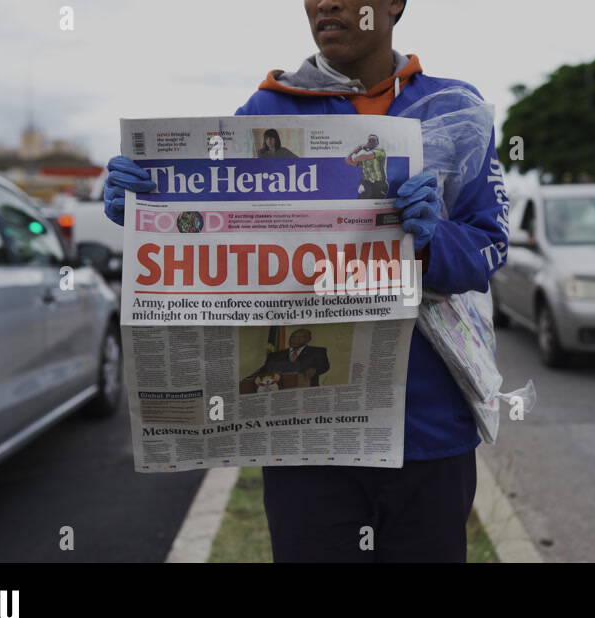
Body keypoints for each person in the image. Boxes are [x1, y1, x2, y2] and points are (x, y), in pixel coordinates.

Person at [104, 0, 509, 563]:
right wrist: (151, 210)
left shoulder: (454, 107)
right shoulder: (267, 107)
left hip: (431, 426)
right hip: (303, 440)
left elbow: (491, 245)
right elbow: (223, 238)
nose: (325, 3)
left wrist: (433, 239)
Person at [249, 328, 330, 387]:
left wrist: (315, 370)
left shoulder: (317, 352)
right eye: (293, 337)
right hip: (281, 390)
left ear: (308, 339)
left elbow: (325, 366)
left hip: (307, 388)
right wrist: (250, 379)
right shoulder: (275, 355)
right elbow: (265, 369)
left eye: (300, 337)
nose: (295, 340)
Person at [347, 134, 388, 198]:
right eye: (369, 140)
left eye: (373, 140)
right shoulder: (364, 159)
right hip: (366, 184)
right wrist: (358, 148)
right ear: (367, 142)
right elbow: (348, 160)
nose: (371, 142)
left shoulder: (380, 151)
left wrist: (356, 155)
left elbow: (361, 157)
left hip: (379, 185)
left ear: (378, 142)